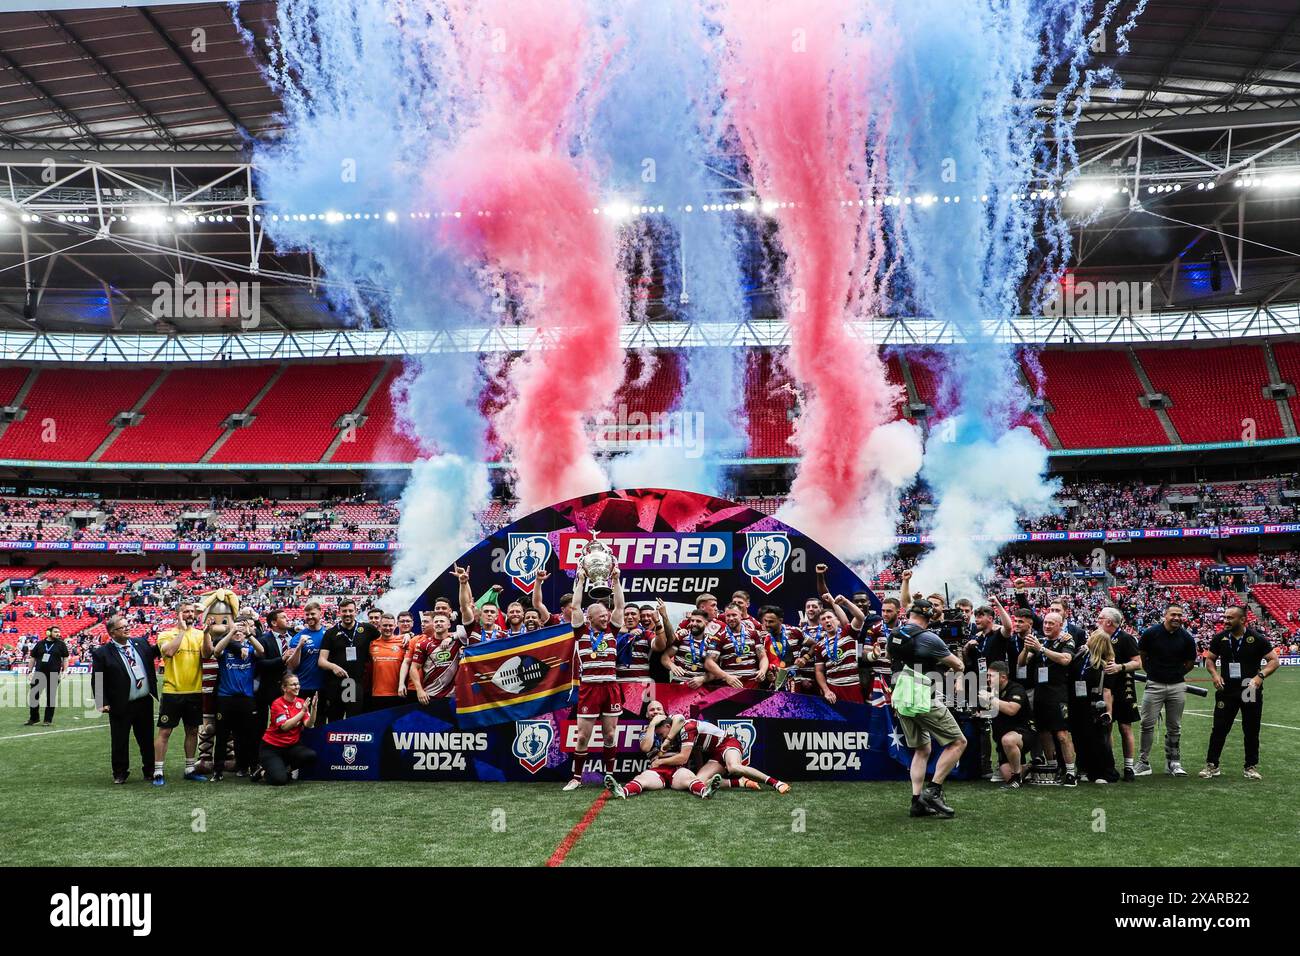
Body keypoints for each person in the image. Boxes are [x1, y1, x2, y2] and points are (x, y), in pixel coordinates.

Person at [888, 602, 967, 818]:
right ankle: (934, 790)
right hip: (922, 694)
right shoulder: (928, 637)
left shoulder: (894, 634)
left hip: (901, 696)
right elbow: (958, 665)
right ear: (929, 616)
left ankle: (916, 802)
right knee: (958, 742)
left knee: (922, 749)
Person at [1200, 605, 1280, 780]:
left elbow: (1274, 660)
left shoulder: (1257, 638)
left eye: (1230, 618)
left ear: (1242, 620)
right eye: (1225, 617)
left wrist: (1260, 676)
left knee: (1251, 729)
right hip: (1226, 688)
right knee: (1220, 727)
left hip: (1249, 688)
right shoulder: (1220, 638)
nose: (1225, 621)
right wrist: (1214, 675)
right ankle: (1212, 765)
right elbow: (1210, 660)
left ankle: (1250, 767)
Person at [563, 561, 624, 791]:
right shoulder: (580, 631)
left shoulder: (612, 630)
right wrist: (579, 581)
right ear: (590, 618)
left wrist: (616, 581)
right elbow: (576, 607)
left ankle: (610, 777)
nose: (606, 617)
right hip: (589, 688)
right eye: (601, 615)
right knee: (582, 737)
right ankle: (576, 778)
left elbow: (620, 607)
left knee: (609, 735)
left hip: (610, 687)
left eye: (606, 615)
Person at [91, 615, 159, 784]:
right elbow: (97, 678)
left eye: (127, 625)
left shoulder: (140, 643)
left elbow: (154, 653)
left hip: (143, 701)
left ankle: (149, 770)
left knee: (146, 739)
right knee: (120, 740)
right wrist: (102, 701)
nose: (127, 628)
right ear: (112, 633)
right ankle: (120, 772)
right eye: (123, 627)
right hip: (120, 703)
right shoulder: (102, 653)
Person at [153, 602, 212, 785]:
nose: (189, 614)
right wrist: (182, 630)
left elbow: (208, 654)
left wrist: (207, 632)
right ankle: (158, 771)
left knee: (192, 730)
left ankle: (189, 768)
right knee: (165, 732)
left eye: (192, 612)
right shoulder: (166, 634)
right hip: (172, 691)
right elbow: (169, 651)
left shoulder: (200, 634)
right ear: (178, 614)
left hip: (194, 690)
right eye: (185, 611)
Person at [1136, 603, 1197, 777]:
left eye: (1179, 615)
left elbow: (1190, 663)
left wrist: (1176, 674)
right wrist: (1153, 672)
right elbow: (1142, 656)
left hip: (1177, 686)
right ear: (1165, 615)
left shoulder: (1186, 638)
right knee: (1146, 724)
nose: (1177, 618)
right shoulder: (1151, 634)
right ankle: (1143, 762)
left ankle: (1173, 762)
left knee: (1175, 727)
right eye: (1173, 614)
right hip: (1154, 684)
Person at [1020, 611, 1078, 787]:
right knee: (1044, 732)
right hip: (1040, 694)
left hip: (1058, 694)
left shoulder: (1066, 641)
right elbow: (1021, 663)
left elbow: (1065, 660)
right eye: (1045, 623)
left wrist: (1041, 649)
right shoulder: (1041, 641)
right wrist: (1026, 648)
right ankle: (1053, 769)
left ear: (1060, 625)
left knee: (1061, 735)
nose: (1046, 626)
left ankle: (1070, 772)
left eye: (1051, 623)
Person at [212, 618, 264, 781]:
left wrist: (248, 633)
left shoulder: (249, 650)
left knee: (249, 735)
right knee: (221, 735)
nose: (238, 634)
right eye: (236, 632)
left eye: (240, 633)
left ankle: (251, 766)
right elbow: (216, 651)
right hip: (225, 698)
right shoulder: (226, 650)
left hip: (246, 699)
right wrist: (231, 632)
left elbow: (261, 651)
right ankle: (218, 770)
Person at [1069, 631, 1118, 784]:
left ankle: (1102, 773)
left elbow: (1107, 691)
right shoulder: (1081, 656)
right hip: (1077, 703)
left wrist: (1109, 712)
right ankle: (1084, 769)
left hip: (1094, 706)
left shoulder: (1106, 665)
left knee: (1097, 740)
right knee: (1079, 738)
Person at [318, 598, 377, 722]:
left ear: (356, 611)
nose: (348, 614)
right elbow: (321, 661)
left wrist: (407, 634)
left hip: (355, 683)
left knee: (353, 720)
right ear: (339, 612)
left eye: (350, 610)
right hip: (335, 684)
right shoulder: (330, 633)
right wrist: (334, 667)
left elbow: (388, 638)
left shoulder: (367, 629)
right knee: (335, 720)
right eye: (344, 611)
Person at [259, 673, 318, 786]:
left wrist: (313, 709)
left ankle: (287, 770)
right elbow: (284, 727)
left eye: (298, 684)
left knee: (311, 755)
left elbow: (309, 724)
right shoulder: (277, 704)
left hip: (291, 747)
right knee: (279, 781)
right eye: (293, 684)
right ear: (284, 688)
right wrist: (302, 712)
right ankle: (263, 772)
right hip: (272, 748)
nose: (297, 687)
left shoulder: (301, 703)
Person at [983, 661, 1032, 791]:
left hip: (1023, 734)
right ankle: (1028, 767)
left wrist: (991, 699)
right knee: (1006, 775)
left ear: (1003, 677)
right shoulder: (990, 691)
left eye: (991, 676)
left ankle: (1017, 778)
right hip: (1002, 739)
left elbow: (1012, 710)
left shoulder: (1016, 689)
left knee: (1008, 740)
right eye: (987, 676)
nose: (988, 679)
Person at [255, 608, 294, 732]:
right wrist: (281, 659)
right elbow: (260, 664)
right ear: (274, 623)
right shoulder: (263, 640)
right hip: (270, 688)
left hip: (293, 686)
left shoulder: (295, 637)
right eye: (283, 617)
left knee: (290, 721)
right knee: (268, 723)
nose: (287, 619)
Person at [25, 625, 69, 726]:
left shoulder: (61, 644)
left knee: (50, 698)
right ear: (48, 633)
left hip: (54, 674)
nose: (58, 634)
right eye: (56, 632)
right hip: (39, 674)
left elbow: (65, 658)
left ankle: (47, 720)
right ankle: (34, 718)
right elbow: (33, 658)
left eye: (59, 632)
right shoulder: (40, 644)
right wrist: (30, 671)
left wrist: (65, 670)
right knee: (33, 696)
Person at [286, 601, 326, 704]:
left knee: (322, 718)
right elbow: (291, 665)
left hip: (324, 686)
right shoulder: (298, 637)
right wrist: (299, 646)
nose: (310, 617)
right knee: (302, 719)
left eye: (313, 614)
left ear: (320, 613)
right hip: (303, 686)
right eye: (307, 614)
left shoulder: (327, 634)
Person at [367, 612, 406, 710]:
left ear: (395, 625)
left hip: (399, 693)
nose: (388, 628)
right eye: (385, 625)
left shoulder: (404, 642)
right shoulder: (372, 644)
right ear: (379, 626)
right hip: (377, 694)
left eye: (390, 625)